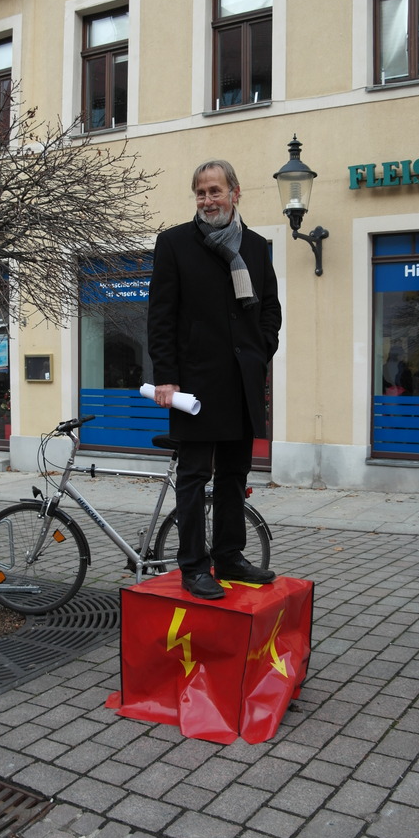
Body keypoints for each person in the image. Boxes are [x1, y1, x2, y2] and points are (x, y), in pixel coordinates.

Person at [147, 159, 282, 600]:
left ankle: (229, 555)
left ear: (235, 193)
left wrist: (261, 353)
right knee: (192, 477)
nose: (208, 200)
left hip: (242, 383)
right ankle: (193, 565)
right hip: (195, 386)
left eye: (215, 191)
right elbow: (161, 317)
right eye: (201, 193)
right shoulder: (174, 244)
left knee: (233, 475)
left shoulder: (258, 247)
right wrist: (166, 377)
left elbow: (270, 311)